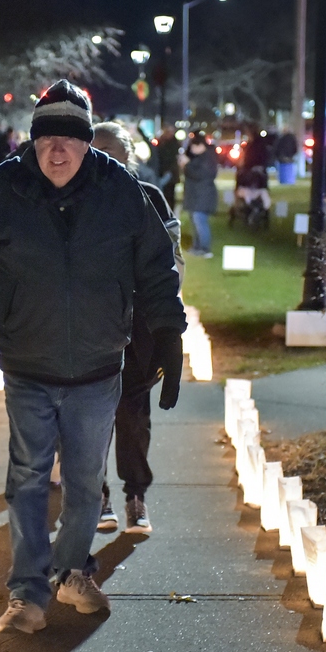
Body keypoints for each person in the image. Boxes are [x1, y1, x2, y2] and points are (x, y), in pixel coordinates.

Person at [0, 80, 186, 635]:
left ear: (86, 142)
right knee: (26, 479)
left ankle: (72, 569)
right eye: (46, 138)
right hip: (29, 366)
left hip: (99, 367)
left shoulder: (119, 189)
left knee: (83, 482)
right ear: (33, 141)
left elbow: (155, 267)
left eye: (68, 140)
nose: (56, 151)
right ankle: (26, 591)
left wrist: (169, 333)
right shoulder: (4, 191)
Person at [90, 121, 184, 534]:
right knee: (88, 418)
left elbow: (170, 264)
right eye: (98, 149)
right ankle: (98, 494)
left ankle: (134, 494)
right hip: (89, 332)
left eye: (113, 149)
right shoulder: (78, 201)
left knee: (132, 415)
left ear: (130, 154)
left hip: (138, 333)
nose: (106, 157)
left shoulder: (152, 199)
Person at [181, 132, 219, 258]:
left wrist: (187, 165)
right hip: (197, 196)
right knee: (196, 222)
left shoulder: (207, 158)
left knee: (200, 222)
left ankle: (205, 248)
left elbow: (199, 174)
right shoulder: (202, 157)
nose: (191, 150)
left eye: (193, 147)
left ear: (200, 146)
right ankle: (197, 247)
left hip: (202, 196)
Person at [153, 125, 181, 210]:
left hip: (169, 173)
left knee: (168, 195)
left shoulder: (169, 143)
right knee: (167, 195)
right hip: (168, 173)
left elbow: (166, 157)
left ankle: (168, 212)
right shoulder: (168, 142)